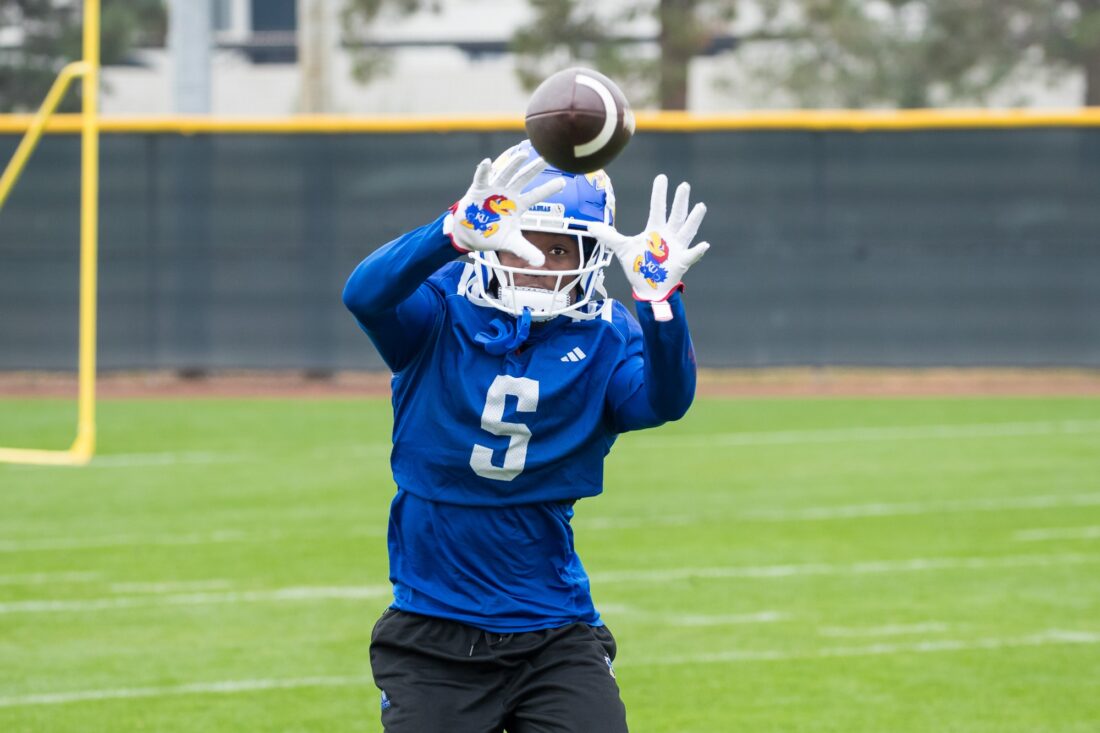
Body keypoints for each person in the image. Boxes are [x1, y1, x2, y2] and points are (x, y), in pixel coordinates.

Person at [342, 139, 710, 732]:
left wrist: (660, 304)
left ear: (590, 256)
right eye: (522, 243)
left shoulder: (607, 332)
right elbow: (362, 294)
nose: (537, 263)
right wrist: (449, 232)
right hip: (433, 632)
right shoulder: (441, 307)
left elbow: (663, 402)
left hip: (554, 632)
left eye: (559, 249)